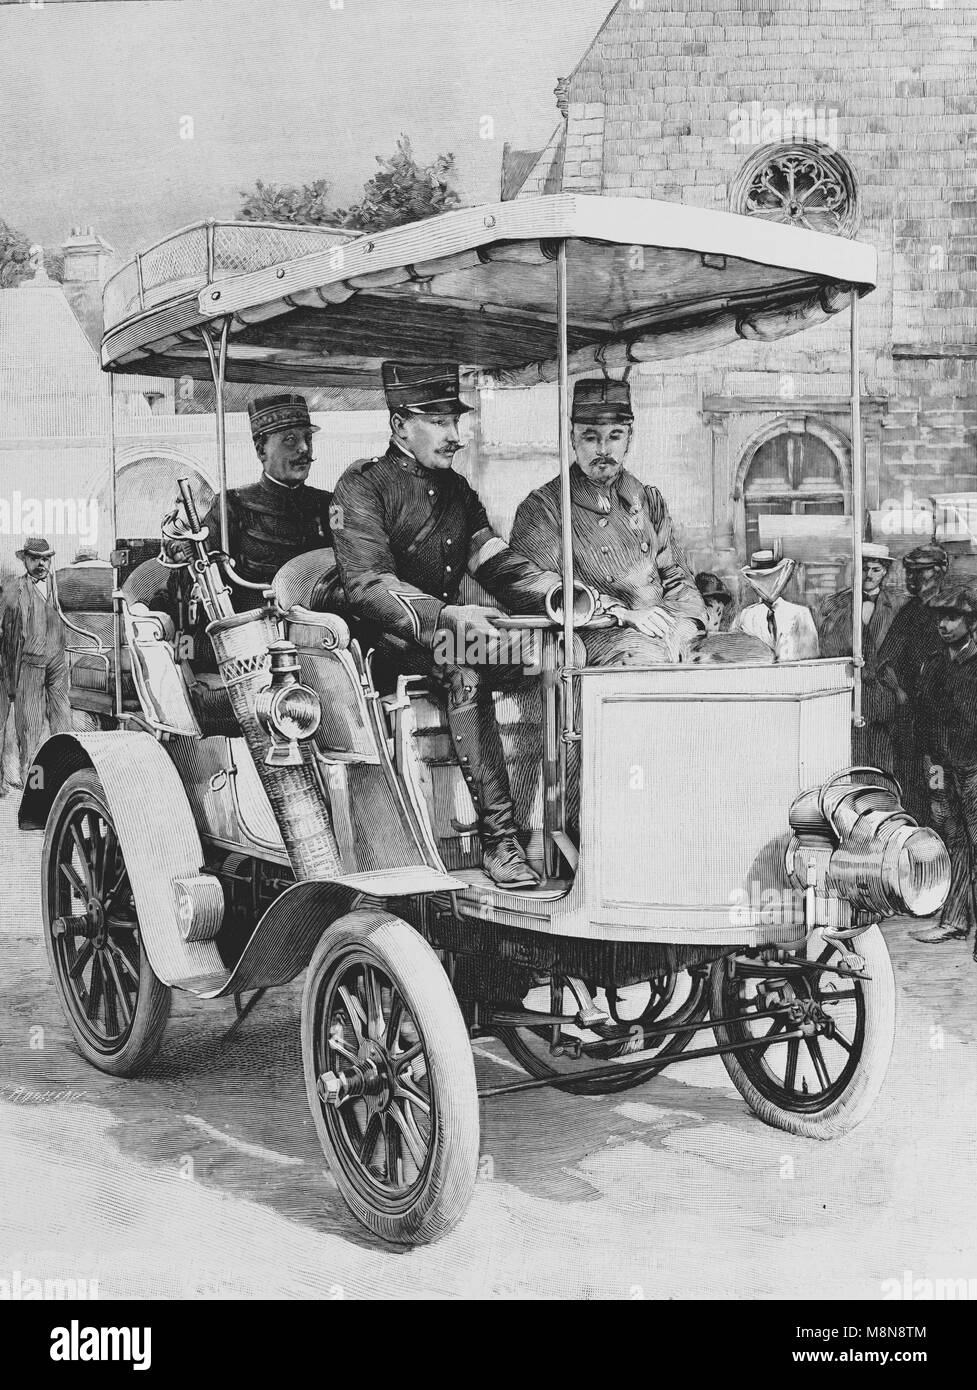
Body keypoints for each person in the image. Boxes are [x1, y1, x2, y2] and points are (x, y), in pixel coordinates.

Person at [331, 362, 564, 890]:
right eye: (438, 421)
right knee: (464, 667)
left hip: (449, 632)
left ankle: (556, 825)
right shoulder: (361, 485)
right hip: (384, 642)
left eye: (455, 421)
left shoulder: (457, 490)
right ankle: (500, 841)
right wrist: (447, 617)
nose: (455, 436)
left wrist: (554, 595)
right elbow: (366, 585)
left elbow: (493, 558)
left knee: (549, 662)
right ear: (398, 426)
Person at [508, 378, 707, 665]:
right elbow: (538, 587)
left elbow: (675, 577)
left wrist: (684, 625)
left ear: (630, 437)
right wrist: (621, 613)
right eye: (590, 437)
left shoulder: (648, 499)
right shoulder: (545, 507)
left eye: (614, 436)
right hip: (591, 637)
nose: (603, 449)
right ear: (572, 438)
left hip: (664, 631)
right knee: (648, 659)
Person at [197, 393, 333, 608]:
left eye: (308, 438)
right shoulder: (232, 505)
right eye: (290, 440)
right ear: (261, 450)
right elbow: (206, 579)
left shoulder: (330, 504)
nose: (305, 449)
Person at [911, 587, 977, 956]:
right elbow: (923, 720)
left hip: (973, 766)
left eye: (952, 618)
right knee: (954, 843)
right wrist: (932, 765)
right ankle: (954, 921)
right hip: (944, 766)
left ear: (970, 622)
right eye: (940, 619)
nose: (944, 625)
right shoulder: (933, 665)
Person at [875, 542, 950, 823]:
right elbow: (884, 663)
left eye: (921, 572)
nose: (913, 579)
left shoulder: (957, 608)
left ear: (941, 571)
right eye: (909, 572)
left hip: (944, 723)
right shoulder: (909, 613)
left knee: (941, 790)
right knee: (912, 788)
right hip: (910, 720)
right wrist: (899, 692)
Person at [817, 542, 901, 770]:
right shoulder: (835, 604)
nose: (868, 575)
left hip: (885, 698)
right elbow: (826, 648)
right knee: (852, 762)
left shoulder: (899, 605)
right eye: (864, 568)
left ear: (885, 571)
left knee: (884, 765)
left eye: (875, 569)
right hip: (848, 696)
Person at [1, 537, 72, 784]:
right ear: (25, 560)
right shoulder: (13, 590)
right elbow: (9, 639)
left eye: (45, 558)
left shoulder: (59, 585)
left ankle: (64, 778)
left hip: (58, 665)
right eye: (35, 558)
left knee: (63, 723)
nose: (41, 563)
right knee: (30, 729)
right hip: (29, 666)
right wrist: (12, 683)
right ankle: (33, 789)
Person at [730, 550, 819, 661]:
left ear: (780, 579)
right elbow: (734, 651)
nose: (765, 586)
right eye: (758, 580)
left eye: (770, 578)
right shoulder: (746, 616)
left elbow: (812, 658)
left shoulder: (800, 614)